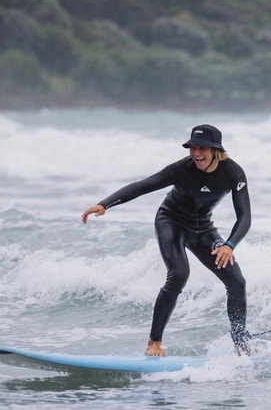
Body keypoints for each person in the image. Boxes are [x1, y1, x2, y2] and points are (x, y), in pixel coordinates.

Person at [81, 124, 253, 357]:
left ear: (216, 150)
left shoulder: (233, 172)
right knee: (179, 273)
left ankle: (240, 343)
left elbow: (245, 216)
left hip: (203, 228)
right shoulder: (182, 169)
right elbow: (144, 185)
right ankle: (154, 342)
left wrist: (229, 245)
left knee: (236, 282)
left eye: (202, 148)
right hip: (171, 222)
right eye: (192, 147)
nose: (196, 153)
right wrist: (104, 204)